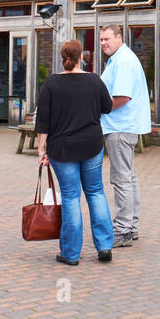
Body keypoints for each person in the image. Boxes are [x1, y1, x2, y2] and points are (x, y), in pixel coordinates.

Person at [36, 38, 115, 265]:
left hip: (62, 148)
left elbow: (43, 120)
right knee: (96, 192)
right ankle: (105, 246)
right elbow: (107, 107)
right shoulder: (94, 81)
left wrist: (42, 149)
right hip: (91, 144)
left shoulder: (51, 83)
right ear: (82, 57)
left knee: (71, 196)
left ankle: (71, 253)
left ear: (63, 58)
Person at [98, 24, 151, 248]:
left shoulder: (123, 61)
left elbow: (122, 97)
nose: (103, 43)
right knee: (128, 178)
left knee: (121, 180)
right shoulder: (119, 59)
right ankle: (131, 226)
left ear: (119, 38)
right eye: (101, 40)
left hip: (119, 128)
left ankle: (123, 229)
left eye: (107, 39)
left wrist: (98, 109)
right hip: (122, 126)